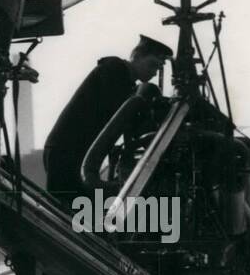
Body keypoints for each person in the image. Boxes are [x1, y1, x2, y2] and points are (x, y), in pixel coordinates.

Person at [42, 35, 173, 208]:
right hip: (66, 153)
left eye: (158, 68)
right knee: (70, 214)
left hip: (74, 154)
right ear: (137, 57)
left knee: (82, 212)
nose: (154, 72)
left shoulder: (123, 80)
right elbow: (127, 114)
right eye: (152, 65)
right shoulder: (114, 69)